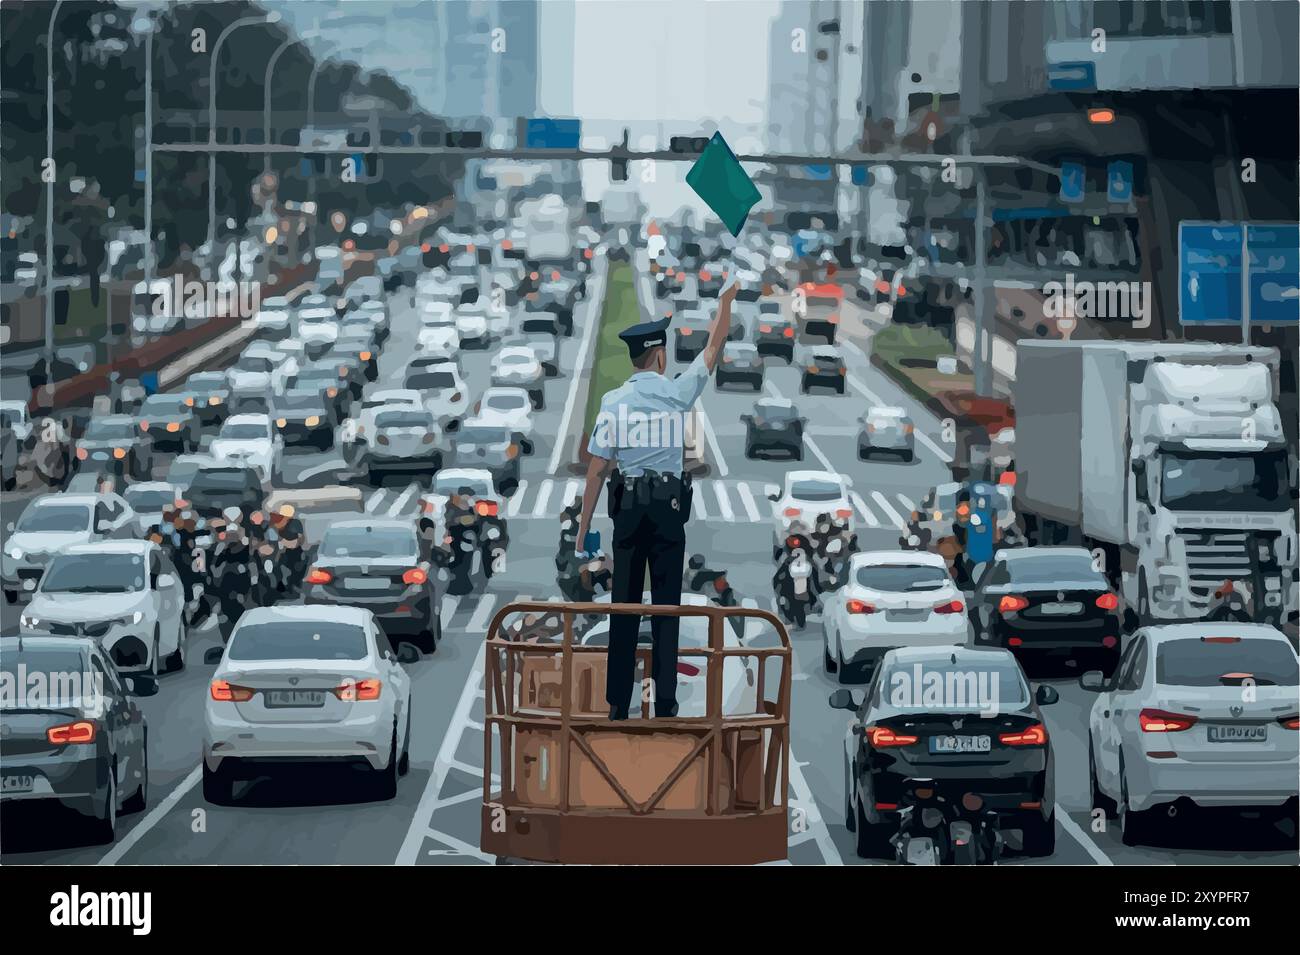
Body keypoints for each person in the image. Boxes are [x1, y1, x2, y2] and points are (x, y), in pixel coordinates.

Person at [573, 279, 736, 720]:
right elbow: (713, 348)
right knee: (667, 607)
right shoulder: (677, 392)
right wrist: (724, 303)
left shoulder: (613, 401)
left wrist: (584, 527)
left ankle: (616, 705)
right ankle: (665, 702)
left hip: (627, 512)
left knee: (623, 607)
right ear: (660, 356)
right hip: (668, 512)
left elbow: (597, 468)